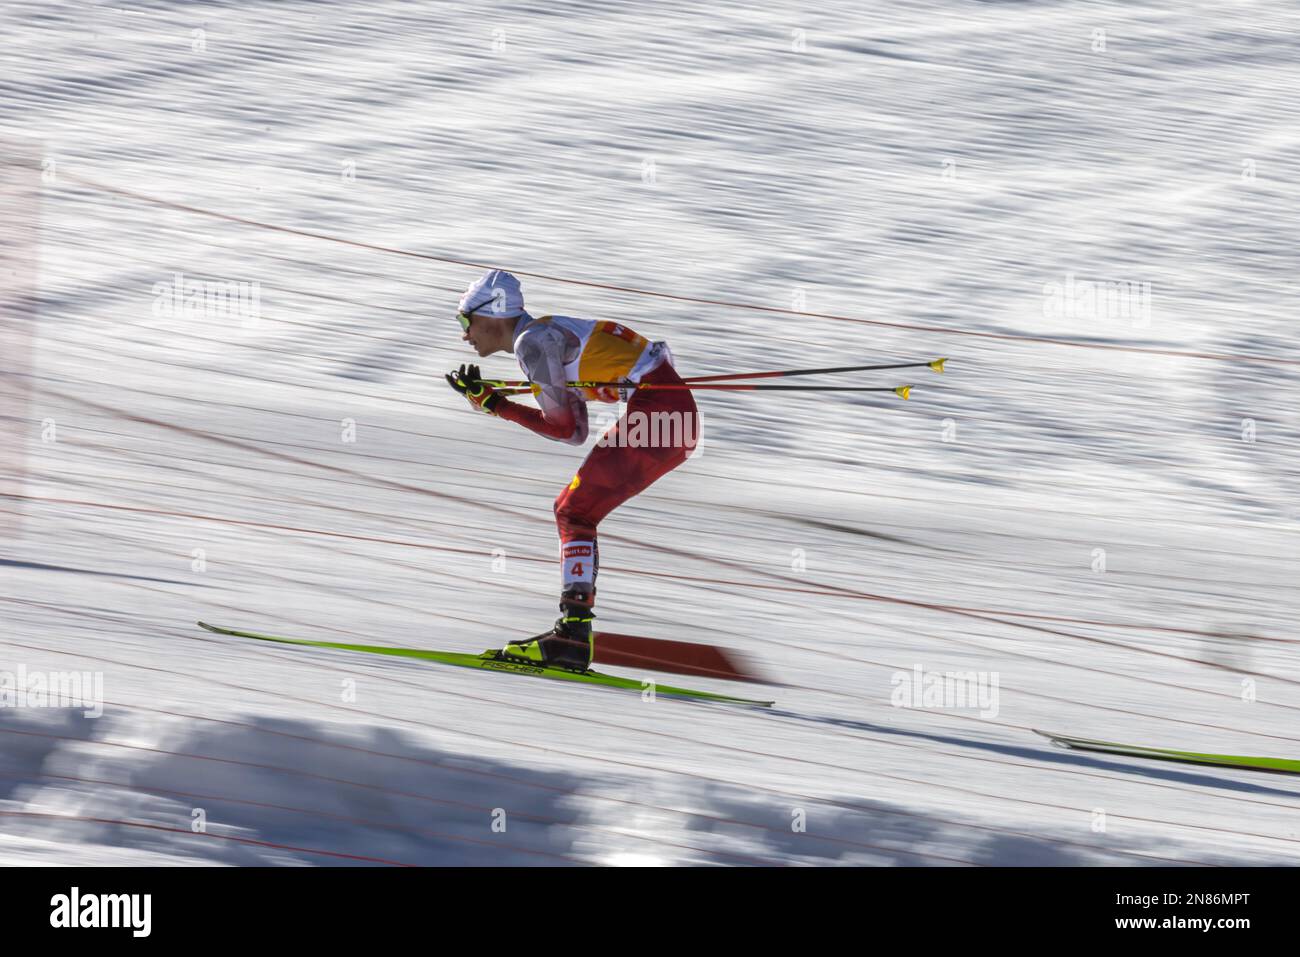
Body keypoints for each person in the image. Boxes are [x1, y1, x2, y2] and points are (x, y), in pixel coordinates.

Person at [446, 269, 699, 671]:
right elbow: (578, 428)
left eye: (465, 321)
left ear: (492, 314)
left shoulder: (533, 343)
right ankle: (573, 632)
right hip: (669, 415)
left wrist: (496, 406)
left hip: (660, 416)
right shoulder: (545, 332)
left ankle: (572, 636)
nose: (464, 334)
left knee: (573, 512)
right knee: (574, 509)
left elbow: (565, 430)